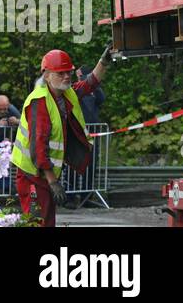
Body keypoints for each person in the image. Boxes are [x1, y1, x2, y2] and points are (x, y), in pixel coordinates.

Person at [11, 46, 111, 227]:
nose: (66, 76)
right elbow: (38, 148)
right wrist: (53, 182)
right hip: (31, 175)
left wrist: (103, 62)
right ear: (47, 75)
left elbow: (89, 84)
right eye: (61, 73)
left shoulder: (65, 92)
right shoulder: (39, 102)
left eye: (69, 72)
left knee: (46, 222)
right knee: (37, 222)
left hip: (43, 174)